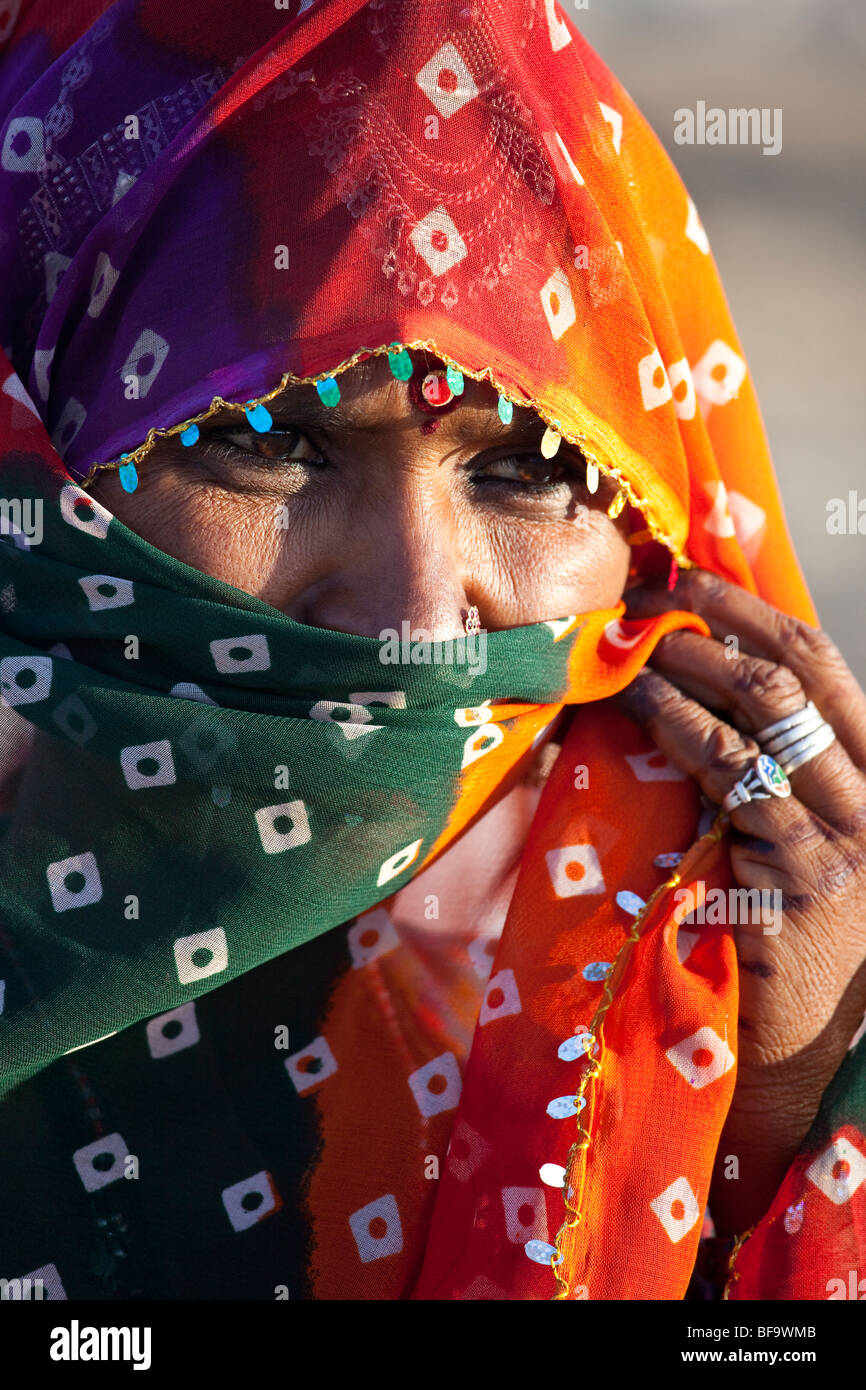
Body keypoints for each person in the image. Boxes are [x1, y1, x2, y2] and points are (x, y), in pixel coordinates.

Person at [0, 0, 864, 1302]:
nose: (414, 618)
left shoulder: (761, 972)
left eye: (524, 470)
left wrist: (770, 1129)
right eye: (269, 441)